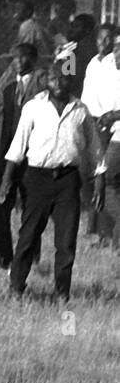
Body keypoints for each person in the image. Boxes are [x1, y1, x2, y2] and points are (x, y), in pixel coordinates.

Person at [0, 62, 104, 302]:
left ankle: (62, 294)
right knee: (28, 235)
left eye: (64, 78)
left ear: (71, 81)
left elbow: (95, 149)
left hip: (68, 180)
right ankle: (16, 288)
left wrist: (99, 179)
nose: (59, 83)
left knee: (66, 241)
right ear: (46, 81)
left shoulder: (80, 110)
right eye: (54, 78)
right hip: (37, 178)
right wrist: (7, 179)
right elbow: (17, 146)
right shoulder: (34, 107)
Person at [0, 43, 47, 269]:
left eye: (24, 57)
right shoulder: (9, 88)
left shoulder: (41, 85)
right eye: (16, 57)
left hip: (33, 153)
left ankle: (30, 255)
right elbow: (1, 124)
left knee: (32, 206)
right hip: (8, 151)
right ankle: (2, 256)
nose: (19, 62)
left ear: (33, 59)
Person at [80, 25, 120, 246]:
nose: (104, 44)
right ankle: (100, 231)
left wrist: (110, 117)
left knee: (106, 176)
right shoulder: (93, 63)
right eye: (101, 39)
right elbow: (87, 95)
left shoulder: (115, 64)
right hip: (93, 122)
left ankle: (110, 233)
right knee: (91, 177)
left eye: (109, 40)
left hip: (111, 125)